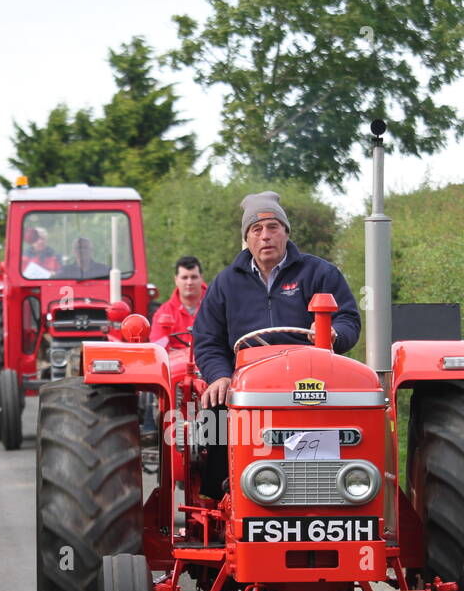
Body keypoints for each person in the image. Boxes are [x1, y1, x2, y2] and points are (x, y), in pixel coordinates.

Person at [191, 191, 361, 497]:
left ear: (286, 232)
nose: (265, 236)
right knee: (214, 411)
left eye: (273, 227)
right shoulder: (226, 283)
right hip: (246, 381)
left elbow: (348, 320)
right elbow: (207, 339)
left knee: (347, 409)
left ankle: (342, 489)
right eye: (256, 230)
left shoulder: (320, 273)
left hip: (312, 377)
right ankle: (217, 500)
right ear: (247, 238)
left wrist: (334, 333)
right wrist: (219, 375)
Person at [150, 256, 207, 350]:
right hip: (177, 363)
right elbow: (158, 349)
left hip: (211, 361)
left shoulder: (216, 306)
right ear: (176, 280)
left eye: (194, 277)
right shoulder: (164, 313)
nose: (189, 282)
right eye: (184, 277)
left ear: (201, 278)